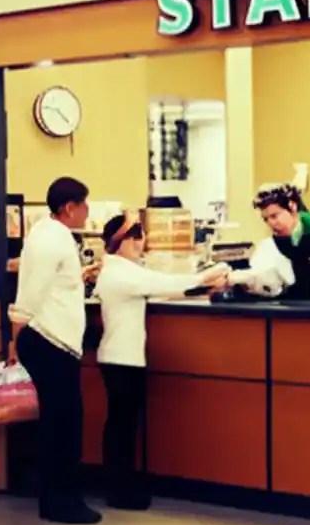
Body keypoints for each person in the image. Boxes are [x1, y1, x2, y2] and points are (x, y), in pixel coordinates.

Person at [93, 213, 228, 509]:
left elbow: (164, 286)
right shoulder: (123, 273)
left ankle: (120, 487)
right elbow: (166, 284)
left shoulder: (116, 271)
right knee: (122, 427)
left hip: (118, 357)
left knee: (121, 425)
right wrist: (211, 273)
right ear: (127, 241)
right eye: (139, 237)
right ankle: (120, 492)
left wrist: (203, 286)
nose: (142, 244)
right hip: (122, 360)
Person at [9, 177, 99, 524]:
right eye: (84, 205)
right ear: (69, 208)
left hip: (50, 340)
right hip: (50, 341)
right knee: (63, 425)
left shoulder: (47, 233)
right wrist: (17, 331)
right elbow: (32, 291)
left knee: (59, 422)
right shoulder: (53, 239)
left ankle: (59, 497)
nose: (87, 212)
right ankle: (61, 501)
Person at [230, 183, 310, 300]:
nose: (271, 223)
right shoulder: (268, 247)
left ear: (292, 207)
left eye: (274, 216)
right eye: (266, 219)